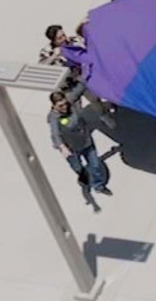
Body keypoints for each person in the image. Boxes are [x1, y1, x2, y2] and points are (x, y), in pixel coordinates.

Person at [49, 81, 115, 211]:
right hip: (71, 149)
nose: (65, 107)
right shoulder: (53, 118)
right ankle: (83, 178)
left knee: (95, 165)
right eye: (60, 106)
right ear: (54, 106)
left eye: (65, 103)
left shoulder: (70, 101)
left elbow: (81, 87)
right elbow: (55, 134)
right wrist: (62, 147)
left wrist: (84, 75)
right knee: (79, 169)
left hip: (86, 142)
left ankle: (99, 186)